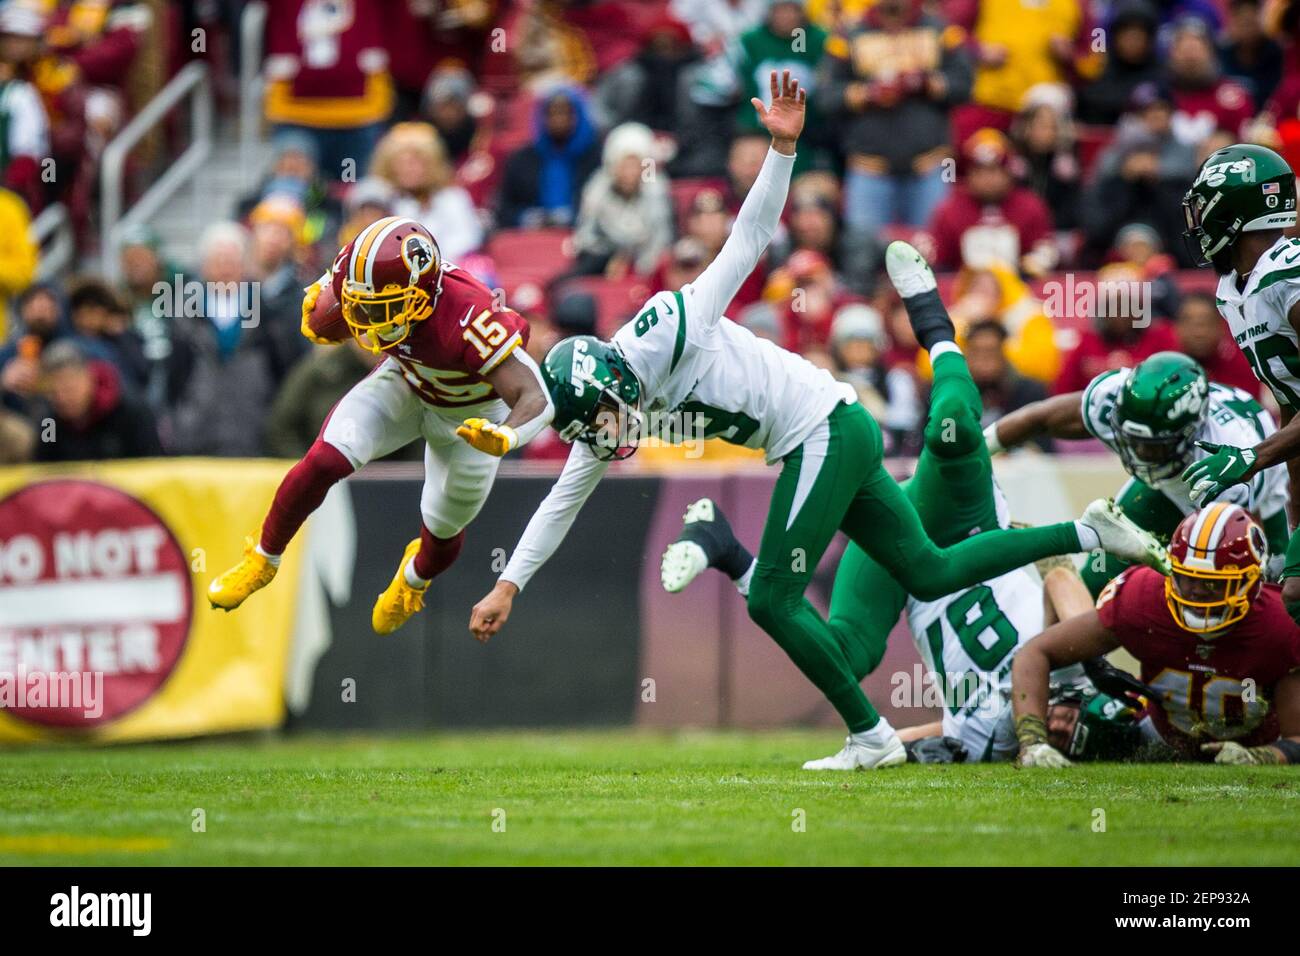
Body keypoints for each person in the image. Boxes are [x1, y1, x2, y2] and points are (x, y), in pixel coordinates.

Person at [466, 72, 1169, 770]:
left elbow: (745, 242)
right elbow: (562, 500)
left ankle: (872, 738)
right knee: (928, 570)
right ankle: (1089, 529)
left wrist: (781, 150)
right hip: (835, 430)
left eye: (610, 419)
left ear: (613, 381)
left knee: (771, 598)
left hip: (820, 430)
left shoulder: (664, 330)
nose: (616, 435)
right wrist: (508, 585)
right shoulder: (603, 405)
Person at [207, 217, 554, 635]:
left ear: (422, 296)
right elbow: (343, 294)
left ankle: (413, 580)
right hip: (405, 383)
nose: (365, 315)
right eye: (359, 302)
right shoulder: (358, 273)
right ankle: (263, 558)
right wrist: (325, 314)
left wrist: (506, 435)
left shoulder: (468, 315)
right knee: (323, 460)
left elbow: (536, 396)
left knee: (443, 530)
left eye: (380, 305)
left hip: (470, 416)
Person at [1012, 504, 1300, 767]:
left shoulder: (1279, 627)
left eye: (1212, 583)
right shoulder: (1145, 598)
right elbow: (1035, 653)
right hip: (1157, 736)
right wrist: (1032, 742)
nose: (1196, 592)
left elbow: (1297, 738)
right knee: (1076, 726)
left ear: (1249, 583)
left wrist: (1262, 755)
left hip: (1251, 742)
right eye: (1187, 578)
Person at [989, 351, 1290, 594]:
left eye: (1153, 447)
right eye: (1132, 441)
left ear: (1190, 432)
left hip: (1256, 489)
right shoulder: (1114, 396)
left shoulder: (1223, 466)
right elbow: (1039, 417)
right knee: (1098, 584)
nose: (1139, 454)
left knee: (1256, 593)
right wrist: (976, 450)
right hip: (1179, 481)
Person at [1178, 143, 1300, 627]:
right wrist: (1295, 516)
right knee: (1289, 598)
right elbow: (1293, 402)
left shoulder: (1285, 275)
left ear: (1235, 209)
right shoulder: (1235, 288)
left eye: (1204, 207)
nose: (1196, 222)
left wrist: (1254, 457)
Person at [30, 340, 162, 462]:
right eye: (53, 393)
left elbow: (153, 465)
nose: (61, 398)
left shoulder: (132, 413)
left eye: (69, 389)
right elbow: (43, 467)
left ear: (90, 379)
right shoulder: (50, 424)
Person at [497, 87, 600, 228]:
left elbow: (605, 206)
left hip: (580, 235)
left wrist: (572, 216)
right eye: (552, 113)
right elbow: (504, 207)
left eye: (565, 113)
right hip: (530, 237)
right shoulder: (520, 160)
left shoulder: (596, 158)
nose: (558, 119)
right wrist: (527, 218)